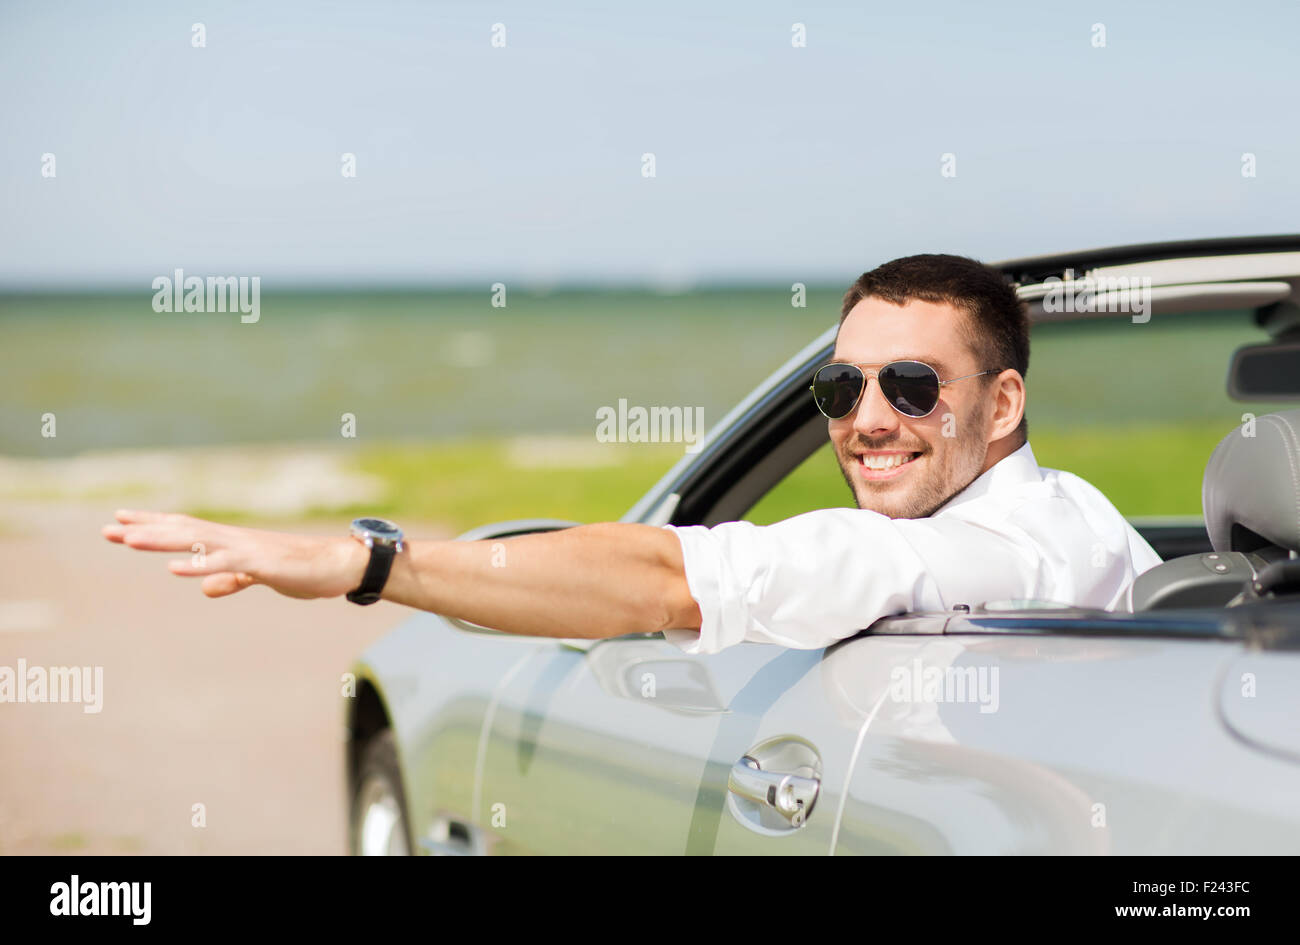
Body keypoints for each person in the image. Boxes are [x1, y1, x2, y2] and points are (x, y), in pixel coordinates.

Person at [102, 254, 1162, 654]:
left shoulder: (962, 557)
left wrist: (370, 564)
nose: (868, 418)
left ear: (1004, 400)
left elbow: (661, 577)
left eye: (913, 385)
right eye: (840, 387)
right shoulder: (1091, 521)